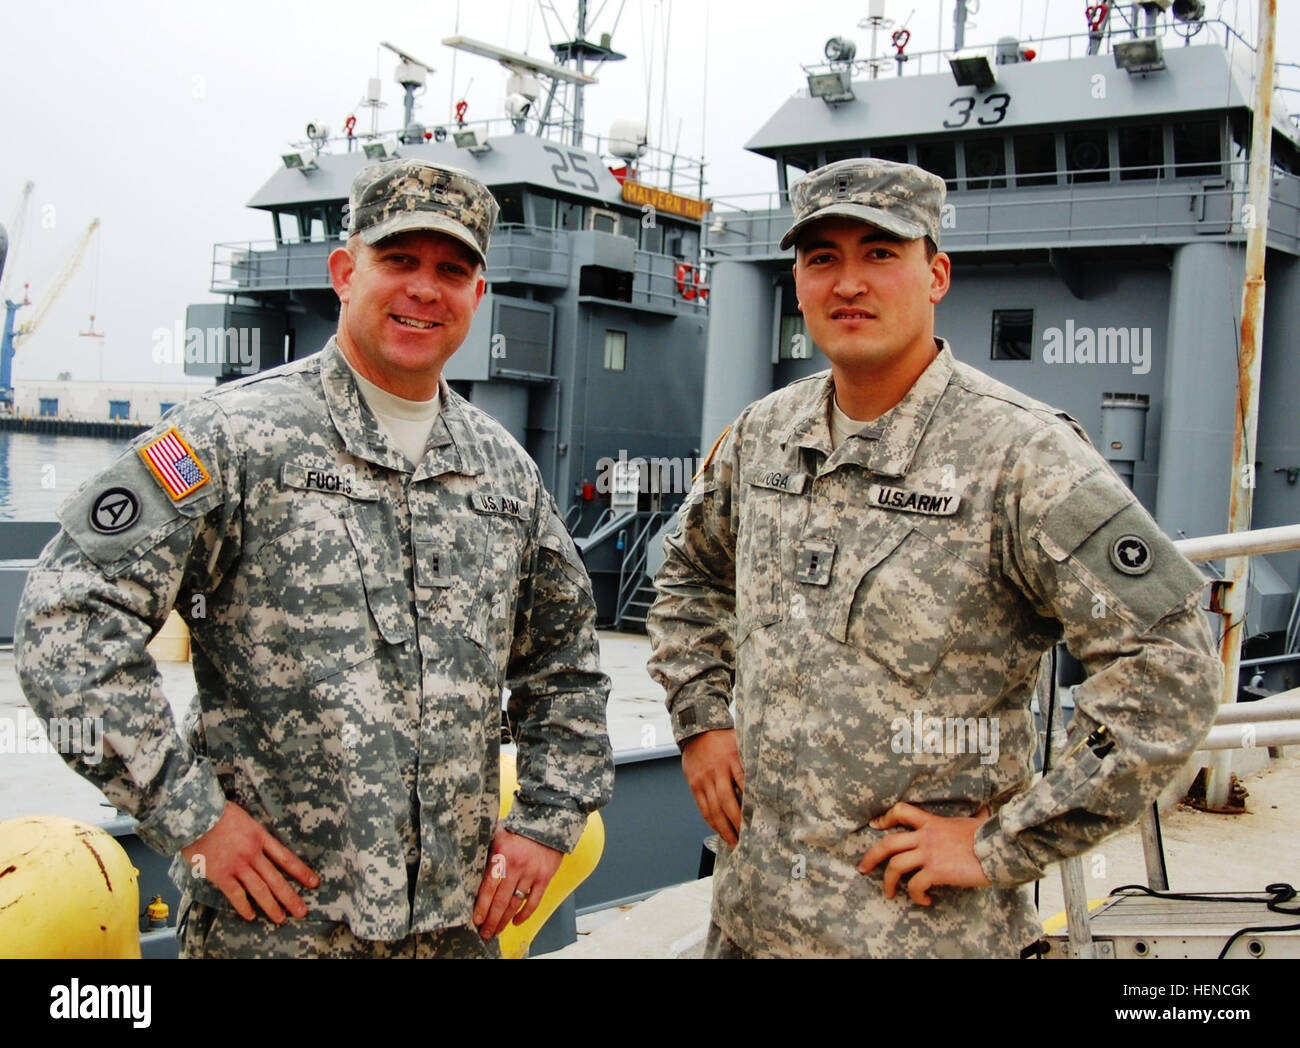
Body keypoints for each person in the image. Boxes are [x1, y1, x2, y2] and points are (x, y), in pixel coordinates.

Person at [15, 158, 614, 959]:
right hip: (275, 934)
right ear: (344, 271)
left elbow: (565, 663)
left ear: (478, 294)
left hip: (455, 933)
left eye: (452, 269)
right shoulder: (233, 437)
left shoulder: (503, 472)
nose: (424, 289)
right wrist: (192, 815)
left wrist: (546, 819)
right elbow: (66, 617)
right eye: (399, 260)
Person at [646, 157, 1221, 959]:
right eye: (823, 258)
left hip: (920, 935)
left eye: (880, 253)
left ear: (936, 273)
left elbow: (1173, 671)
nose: (849, 282)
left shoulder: (1021, 455)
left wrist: (998, 841)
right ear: (800, 282)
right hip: (752, 920)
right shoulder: (763, 436)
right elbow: (689, 576)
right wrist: (703, 719)